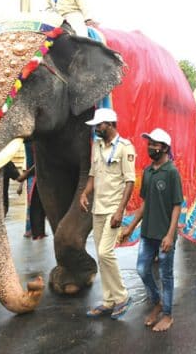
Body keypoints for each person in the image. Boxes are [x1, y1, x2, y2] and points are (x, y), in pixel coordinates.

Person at [118, 128, 181, 332]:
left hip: (164, 235)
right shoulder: (147, 171)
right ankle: (158, 302)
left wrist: (170, 234)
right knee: (142, 269)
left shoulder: (171, 172)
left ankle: (168, 315)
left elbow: (176, 205)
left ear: (164, 148)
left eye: (154, 144)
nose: (150, 147)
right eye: (149, 143)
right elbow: (145, 203)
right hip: (147, 233)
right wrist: (131, 227)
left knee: (165, 275)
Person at [79, 108, 135, 320]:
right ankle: (108, 300)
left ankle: (122, 296)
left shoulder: (124, 148)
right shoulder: (97, 146)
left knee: (105, 252)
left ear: (110, 124)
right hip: (98, 209)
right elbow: (93, 174)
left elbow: (130, 181)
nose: (96, 128)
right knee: (101, 256)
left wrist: (120, 210)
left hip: (113, 208)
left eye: (99, 125)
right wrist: (85, 193)